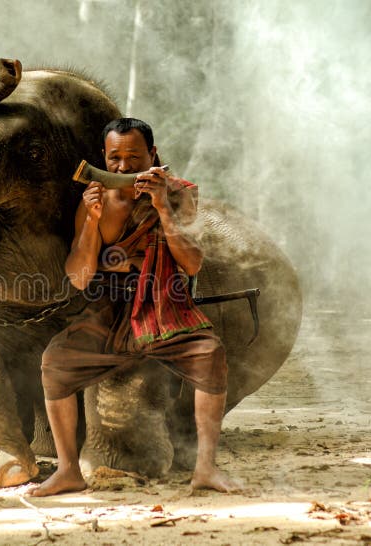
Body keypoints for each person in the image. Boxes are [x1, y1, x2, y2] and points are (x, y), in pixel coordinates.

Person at [30, 118, 240, 497]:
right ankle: (67, 470)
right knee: (55, 362)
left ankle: (206, 468)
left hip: (166, 305)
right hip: (110, 309)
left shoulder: (179, 195)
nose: (124, 168)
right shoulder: (92, 199)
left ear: (153, 156)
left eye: (134, 157)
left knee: (210, 355)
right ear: (103, 159)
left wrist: (162, 209)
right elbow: (79, 276)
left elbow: (191, 264)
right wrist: (92, 223)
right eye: (115, 159)